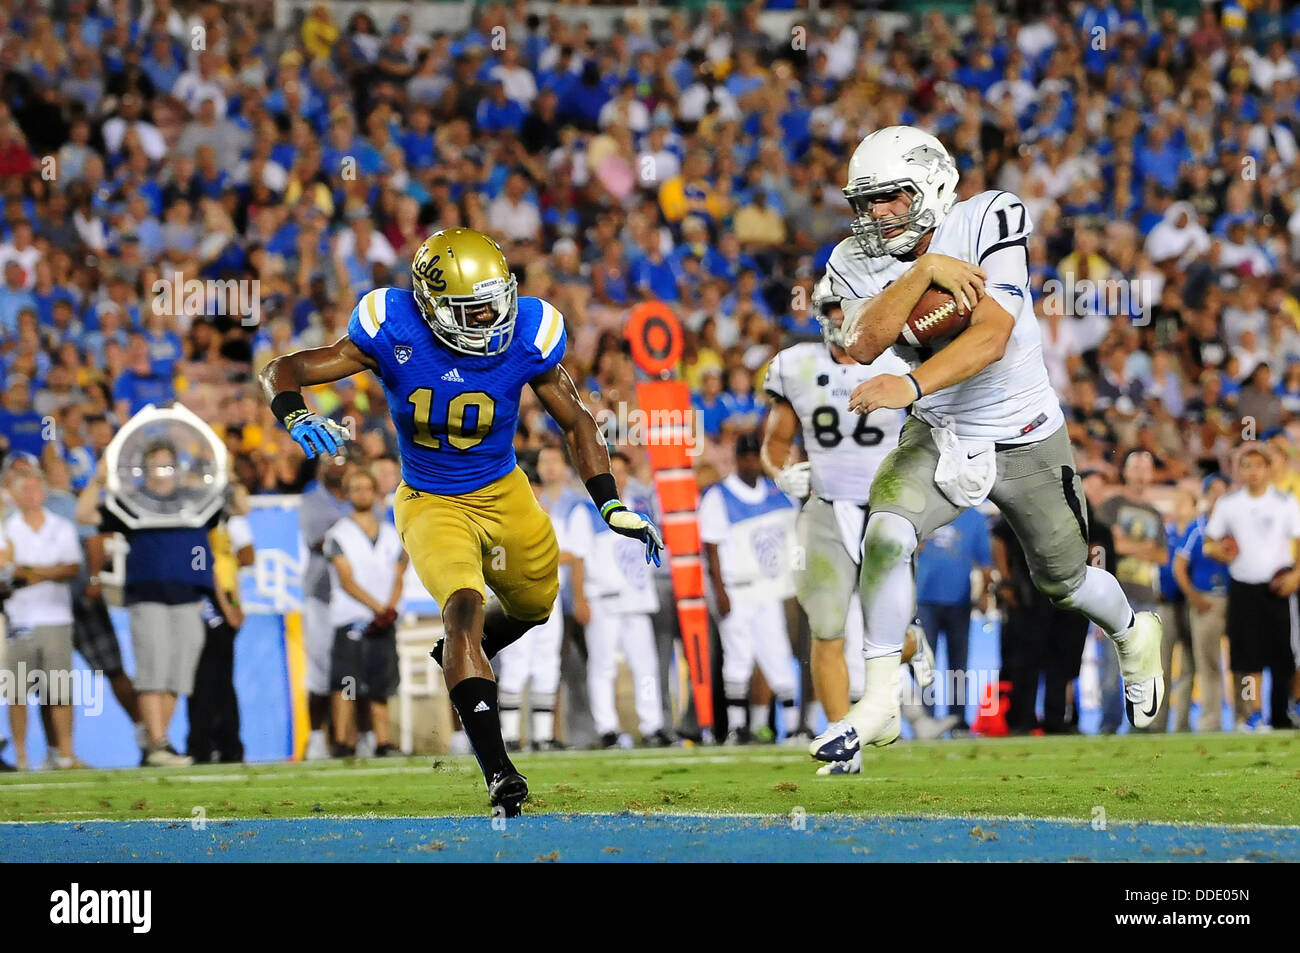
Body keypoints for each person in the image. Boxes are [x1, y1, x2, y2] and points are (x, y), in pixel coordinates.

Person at [260, 227, 663, 816]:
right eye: (473, 308)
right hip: (430, 498)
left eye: (495, 301)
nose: (490, 318)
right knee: (464, 606)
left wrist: (609, 501)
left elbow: (577, 422)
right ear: (431, 305)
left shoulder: (528, 331)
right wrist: (294, 413)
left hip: (504, 491)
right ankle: (499, 771)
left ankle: (459, 653)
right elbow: (284, 368)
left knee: (534, 606)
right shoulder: (391, 326)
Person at [812, 127, 1162, 767]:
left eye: (890, 196)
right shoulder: (853, 261)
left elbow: (993, 334)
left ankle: (1134, 632)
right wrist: (921, 273)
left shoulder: (989, 215)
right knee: (885, 534)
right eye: (866, 202)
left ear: (933, 185)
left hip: (1025, 433)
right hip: (940, 429)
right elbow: (859, 342)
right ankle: (882, 700)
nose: (875, 214)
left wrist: (911, 380)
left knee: (1065, 583)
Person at [761, 291, 951, 772]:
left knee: (885, 632)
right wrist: (781, 472)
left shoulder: (899, 356)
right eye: (833, 312)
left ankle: (912, 643)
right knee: (826, 630)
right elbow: (775, 442)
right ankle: (845, 741)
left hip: (888, 505)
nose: (841, 321)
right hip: (825, 506)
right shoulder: (796, 366)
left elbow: (931, 427)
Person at [76, 443, 214, 767]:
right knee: (153, 670)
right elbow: (84, 515)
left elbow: (238, 505)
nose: (163, 472)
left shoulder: (191, 500)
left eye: (168, 465)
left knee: (178, 676)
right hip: (147, 595)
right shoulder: (134, 503)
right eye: (156, 466)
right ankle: (157, 743)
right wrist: (97, 481)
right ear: (145, 469)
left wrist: (218, 467)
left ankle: (157, 744)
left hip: (188, 597)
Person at [700, 432, 802, 747]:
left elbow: (798, 532)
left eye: (754, 456)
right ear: (736, 459)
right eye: (744, 457)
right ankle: (737, 727)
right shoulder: (719, 495)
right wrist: (719, 590)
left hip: (769, 588)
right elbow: (711, 547)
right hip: (736, 587)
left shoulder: (776, 493)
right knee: (738, 657)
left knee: (777, 654)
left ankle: (794, 726)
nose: (750, 463)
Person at [566, 451, 672, 748]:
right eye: (614, 474)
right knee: (602, 667)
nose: (620, 478)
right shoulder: (585, 511)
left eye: (624, 472)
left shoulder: (640, 508)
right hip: (603, 599)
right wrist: (581, 599)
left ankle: (652, 726)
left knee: (646, 667)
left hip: (636, 600)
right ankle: (607, 729)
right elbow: (577, 558)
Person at [1203, 448, 1300, 731]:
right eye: (1246, 466)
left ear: (1268, 469)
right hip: (1243, 585)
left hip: (1278, 586)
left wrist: (1296, 575)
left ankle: (1285, 713)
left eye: (1258, 465)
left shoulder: (1285, 502)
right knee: (1248, 655)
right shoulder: (1229, 504)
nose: (1253, 471)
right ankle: (1254, 715)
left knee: (1285, 654)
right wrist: (1220, 551)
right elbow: (1210, 542)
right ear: (1239, 470)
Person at [323, 466, 406, 756]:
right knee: (346, 681)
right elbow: (347, 581)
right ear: (347, 495)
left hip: (383, 620)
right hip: (352, 618)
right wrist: (380, 608)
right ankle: (344, 740)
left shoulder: (390, 533)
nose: (361, 493)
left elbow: (399, 574)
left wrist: (389, 609)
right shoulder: (338, 534)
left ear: (375, 492)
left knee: (381, 682)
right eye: (355, 488)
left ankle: (382, 741)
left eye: (366, 487)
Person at [3, 473, 83, 769]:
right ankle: (22, 758)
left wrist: (30, 572)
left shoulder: (60, 526)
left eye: (36, 487)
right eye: (25, 488)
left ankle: (65, 754)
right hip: (19, 619)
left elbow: (71, 568)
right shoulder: (7, 529)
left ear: (43, 492)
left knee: (59, 691)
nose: (31, 493)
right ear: (16, 493)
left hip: (55, 617)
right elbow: (7, 573)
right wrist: (43, 571)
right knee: (17, 693)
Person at [495, 459, 570, 752]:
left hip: (551, 597)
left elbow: (571, 556)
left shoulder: (556, 520)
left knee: (547, 661)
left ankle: (542, 736)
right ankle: (510, 735)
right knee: (516, 661)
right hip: (516, 597)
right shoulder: (502, 522)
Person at [1095, 450, 1168, 733]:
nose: (1140, 473)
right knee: (1111, 668)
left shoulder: (1155, 513)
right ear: (1125, 472)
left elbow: (1162, 555)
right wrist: (1143, 548)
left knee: (1146, 666)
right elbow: (1110, 547)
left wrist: (1128, 545)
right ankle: (1108, 723)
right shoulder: (1112, 506)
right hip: (1116, 597)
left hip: (1146, 597)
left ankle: (1141, 724)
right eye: (1135, 467)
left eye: (1145, 467)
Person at [297, 455, 352, 760]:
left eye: (343, 460)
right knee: (319, 669)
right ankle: (317, 737)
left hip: (356, 597)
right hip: (322, 595)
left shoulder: (362, 497)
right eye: (331, 460)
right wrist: (353, 535)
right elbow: (318, 541)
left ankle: (354, 737)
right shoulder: (313, 499)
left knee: (355, 670)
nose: (337, 466)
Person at [1172, 474, 1231, 732]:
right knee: (1207, 664)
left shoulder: (1234, 525)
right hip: (1207, 600)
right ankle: (1210, 721)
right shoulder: (1198, 528)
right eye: (1214, 492)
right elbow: (1179, 566)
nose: (1219, 497)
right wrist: (1194, 597)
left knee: (1242, 663)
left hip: (1235, 601)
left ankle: (1247, 717)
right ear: (1206, 496)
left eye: (1223, 491)